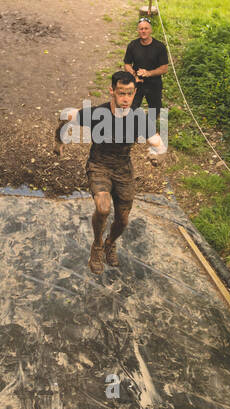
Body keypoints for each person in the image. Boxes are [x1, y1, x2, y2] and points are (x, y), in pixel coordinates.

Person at [54, 71, 165, 274]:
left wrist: (157, 153)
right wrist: (58, 140)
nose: (125, 98)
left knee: (122, 220)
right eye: (121, 93)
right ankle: (96, 247)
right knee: (103, 207)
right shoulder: (97, 114)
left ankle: (109, 243)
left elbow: (158, 143)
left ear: (135, 93)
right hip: (99, 165)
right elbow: (66, 116)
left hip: (123, 169)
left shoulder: (139, 118)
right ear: (112, 91)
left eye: (130, 94)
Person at [122, 17, 169, 114]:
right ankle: (132, 127)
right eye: (141, 29)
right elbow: (127, 64)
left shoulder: (159, 47)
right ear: (138, 31)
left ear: (151, 30)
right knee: (131, 109)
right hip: (136, 82)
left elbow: (164, 68)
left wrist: (148, 73)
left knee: (155, 110)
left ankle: (149, 127)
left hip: (154, 83)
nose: (143, 31)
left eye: (146, 28)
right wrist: (134, 75)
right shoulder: (132, 45)